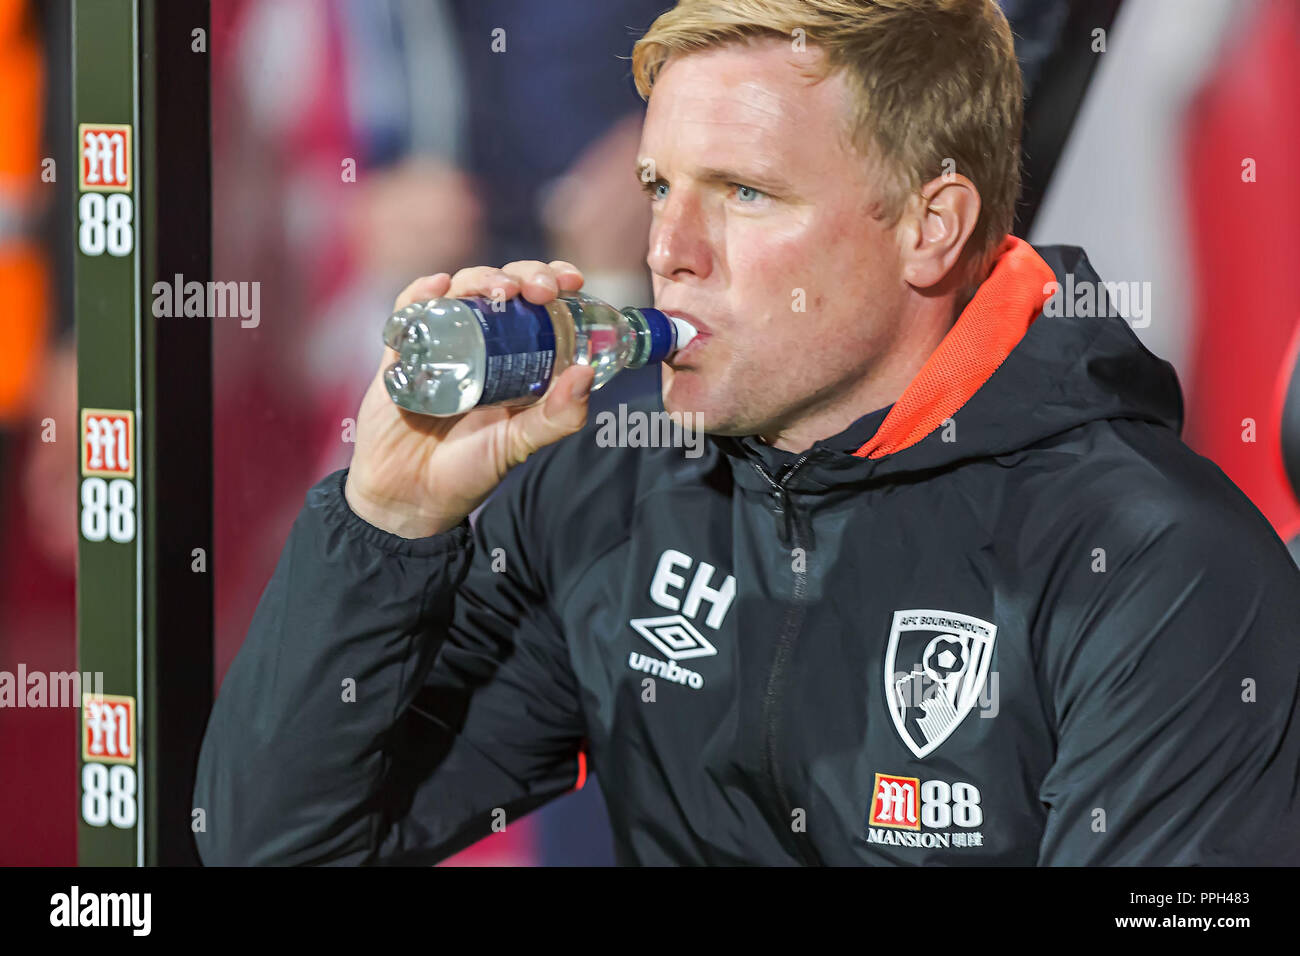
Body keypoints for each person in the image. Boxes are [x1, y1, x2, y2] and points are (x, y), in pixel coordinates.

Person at [193, 0, 1300, 865]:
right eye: (657, 183)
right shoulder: (602, 497)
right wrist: (385, 523)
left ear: (931, 226)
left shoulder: (1158, 569)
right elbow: (277, 845)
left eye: (745, 194)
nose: (667, 244)